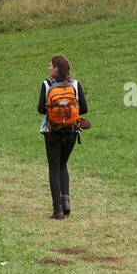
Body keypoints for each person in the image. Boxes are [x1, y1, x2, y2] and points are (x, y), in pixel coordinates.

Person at [38, 54, 88, 220]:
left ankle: (57, 210)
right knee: (63, 165)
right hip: (71, 131)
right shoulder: (75, 84)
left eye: (50, 65)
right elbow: (84, 109)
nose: (48, 68)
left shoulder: (46, 84)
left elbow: (41, 109)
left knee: (54, 168)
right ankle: (66, 202)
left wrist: (54, 112)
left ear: (56, 69)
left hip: (52, 132)